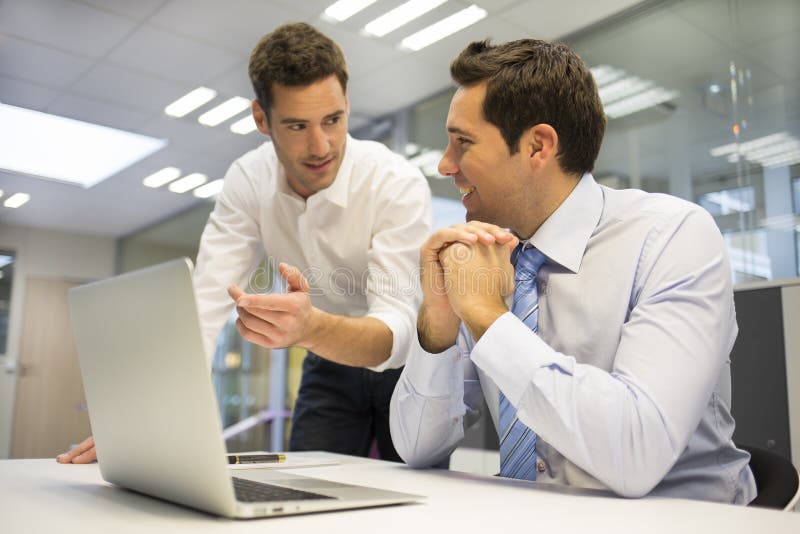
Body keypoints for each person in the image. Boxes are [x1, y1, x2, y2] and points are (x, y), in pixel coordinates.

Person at [389, 37, 756, 504]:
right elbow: (416, 448)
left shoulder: (673, 236)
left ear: (537, 146)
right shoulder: (490, 257)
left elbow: (636, 453)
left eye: (463, 143)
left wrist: (487, 316)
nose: (445, 164)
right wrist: (438, 327)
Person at [57, 22, 432, 464]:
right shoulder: (247, 181)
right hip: (327, 362)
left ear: (347, 104)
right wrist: (142, 420)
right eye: (296, 125)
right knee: (309, 490)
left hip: (409, 367)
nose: (321, 145)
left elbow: (398, 329)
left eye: (333, 119)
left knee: (418, 497)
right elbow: (205, 305)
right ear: (261, 119)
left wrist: (311, 328)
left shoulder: (395, 182)